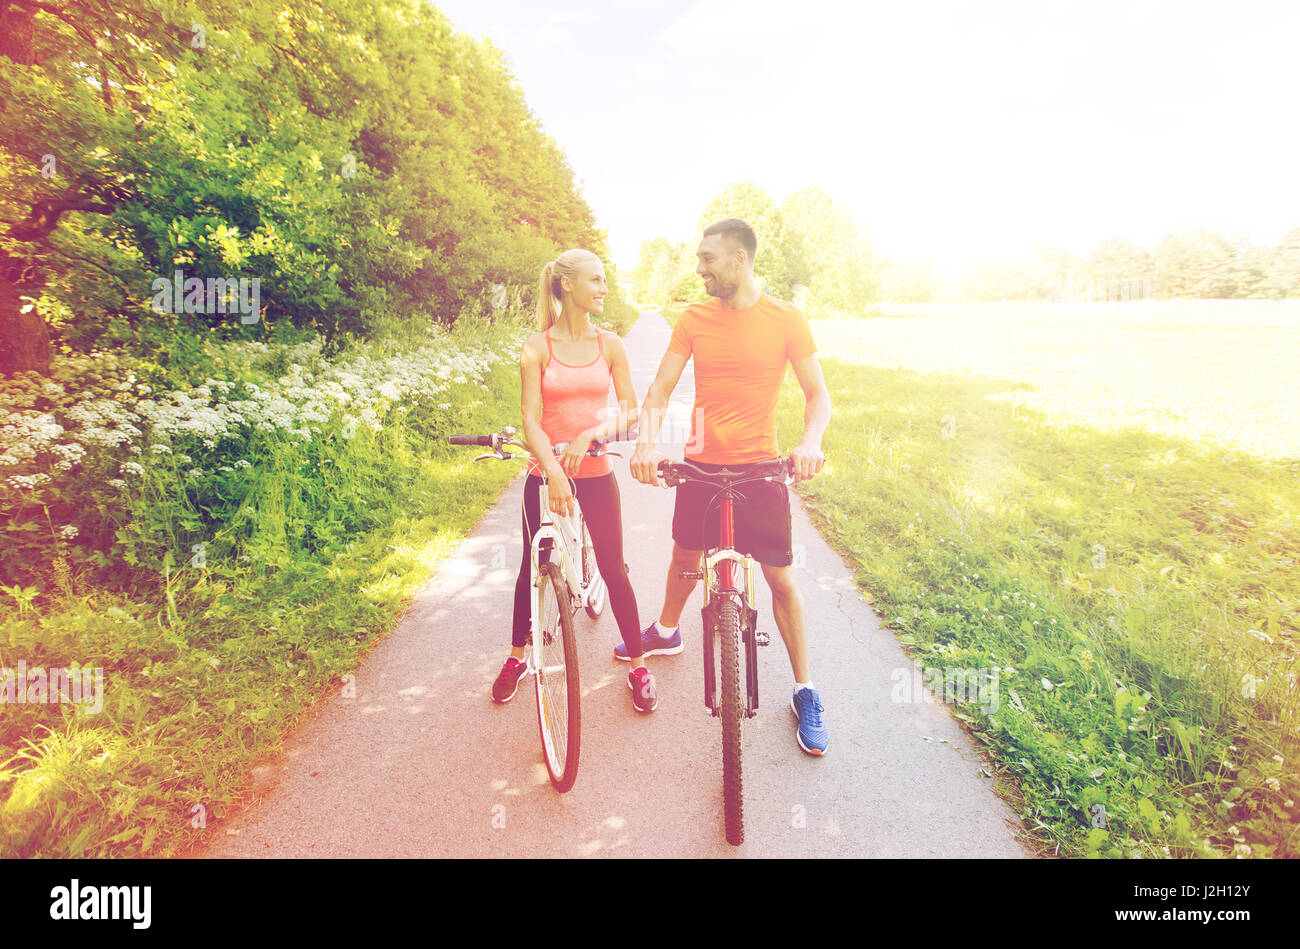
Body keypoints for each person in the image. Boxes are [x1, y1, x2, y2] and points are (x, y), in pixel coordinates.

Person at [627, 218, 832, 753]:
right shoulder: (694, 318)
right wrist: (647, 444)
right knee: (684, 562)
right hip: (701, 467)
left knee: (781, 581)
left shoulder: (787, 319)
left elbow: (818, 396)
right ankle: (668, 631)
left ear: (739, 260)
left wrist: (810, 442)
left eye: (708, 260)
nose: (700, 270)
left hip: (760, 469)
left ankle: (805, 690)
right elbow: (660, 390)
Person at [493, 248, 658, 713]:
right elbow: (529, 420)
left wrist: (590, 433)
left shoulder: (612, 345)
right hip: (544, 472)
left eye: (605, 281)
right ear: (567, 285)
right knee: (532, 563)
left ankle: (639, 665)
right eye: (596, 280)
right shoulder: (536, 347)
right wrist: (552, 470)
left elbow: (630, 411)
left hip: (597, 472)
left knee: (614, 568)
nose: (604, 289)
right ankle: (516, 658)